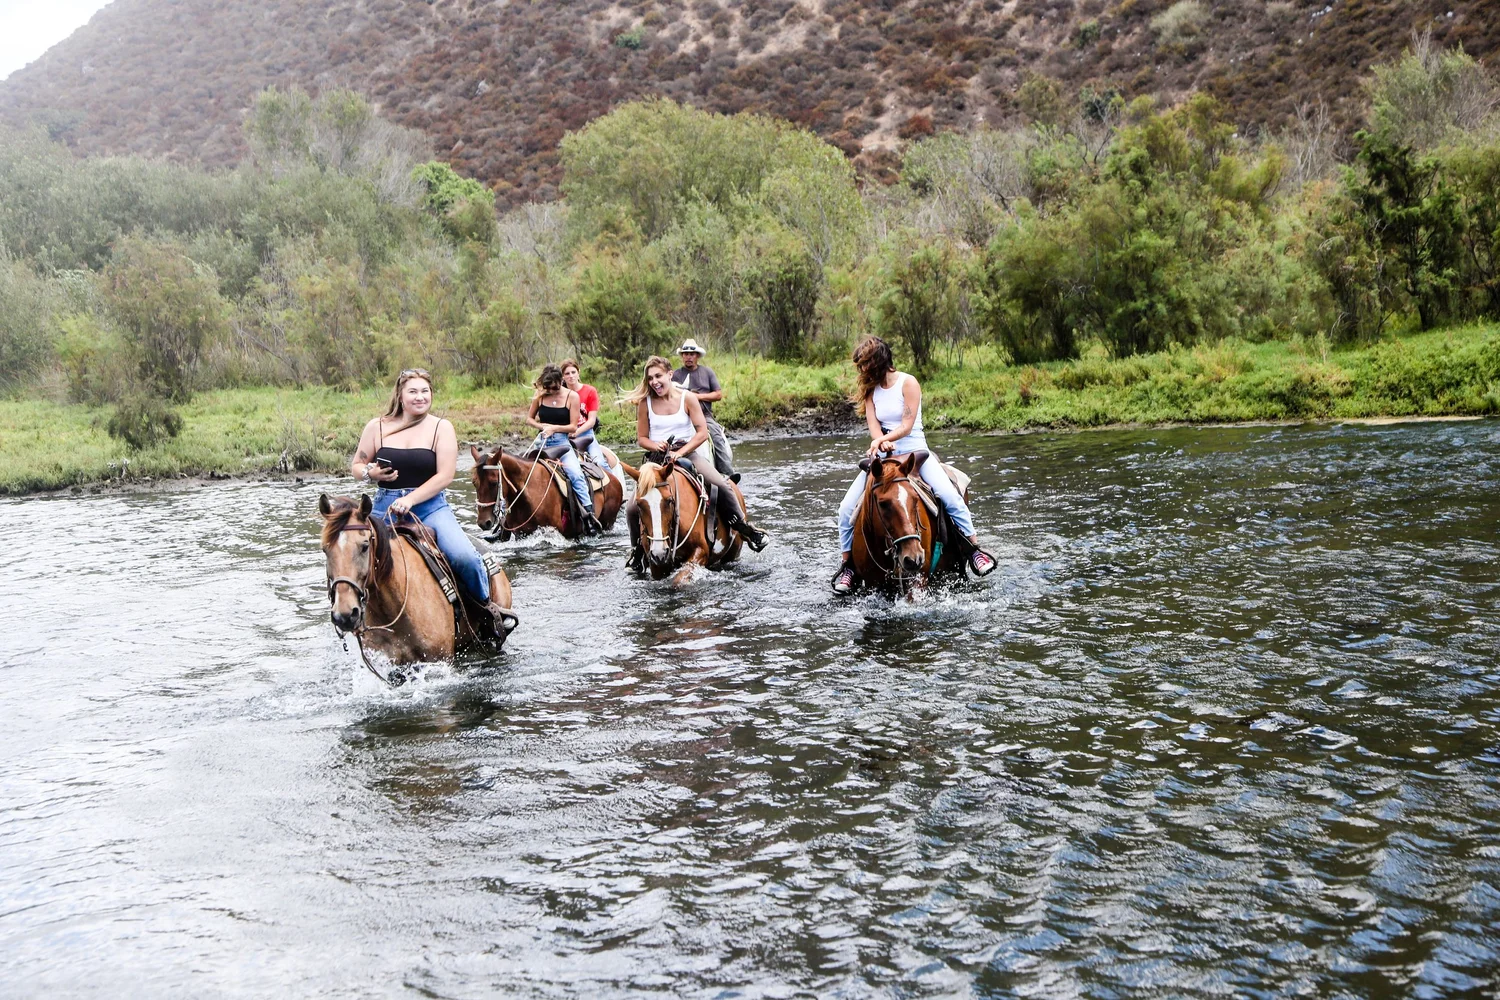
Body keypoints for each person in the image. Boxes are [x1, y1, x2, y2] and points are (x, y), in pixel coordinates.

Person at [351, 368, 512, 628]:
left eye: (425, 391)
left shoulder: (441, 427)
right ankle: (350, 619)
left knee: (465, 558)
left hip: (430, 507)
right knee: (349, 556)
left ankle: (487, 612)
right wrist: (370, 472)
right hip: (384, 504)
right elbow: (356, 466)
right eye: (413, 391)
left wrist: (411, 499)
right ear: (400, 396)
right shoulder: (377, 426)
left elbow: (445, 475)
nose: (420, 397)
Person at [832, 337, 995, 593]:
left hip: (916, 454)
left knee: (950, 497)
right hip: (885, 458)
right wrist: (879, 442)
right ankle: (848, 566)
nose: (861, 370)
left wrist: (886, 439)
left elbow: (907, 426)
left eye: (864, 364)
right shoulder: (871, 392)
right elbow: (874, 428)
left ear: (877, 361)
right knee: (845, 510)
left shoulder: (908, 383)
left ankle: (974, 550)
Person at [622, 355, 768, 569]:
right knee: (632, 507)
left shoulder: (688, 398)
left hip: (688, 453)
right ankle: (637, 551)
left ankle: (745, 530)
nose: (654, 381)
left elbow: (702, 432)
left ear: (670, 375)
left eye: (659, 376)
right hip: (656, 460)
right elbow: (642, 438)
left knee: (722, 486)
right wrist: (656, 446)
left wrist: (681, 452)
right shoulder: (646, 403)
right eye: (650, 378)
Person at [526, 363, 603, 536]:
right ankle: (503, 521)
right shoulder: (539, 395)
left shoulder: (572, 397)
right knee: (519, 471)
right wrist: (542, 426)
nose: (551, 392)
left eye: (554, 388)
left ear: (560, 382)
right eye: (548, 388)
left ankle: (589, 516)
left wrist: (554, 428)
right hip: (542, 441)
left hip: (562, 443)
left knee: (575, 474)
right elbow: (529, 419)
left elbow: (573, 426)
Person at [670, 339, 738, 481]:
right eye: (685, 354)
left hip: (704, 415)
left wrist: (697, 397)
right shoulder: (675, 375)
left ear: (697, 356)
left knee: (715, 436)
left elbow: (718, 394)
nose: (688, 357)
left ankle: (728, 474)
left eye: (692, 354)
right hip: (681, 416)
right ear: (682, 356)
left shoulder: (707, 372)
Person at [560, 358, 625, 484]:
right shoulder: (560, 394)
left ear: (579, 373)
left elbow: (591, 421)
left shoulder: (589, 391)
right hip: (565, 435)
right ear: (563, 376)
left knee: (600, 462)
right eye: (567, 373)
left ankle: (614, 489)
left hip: (585, 434)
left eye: (573, 372)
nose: (571, 376)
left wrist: (576, 432)